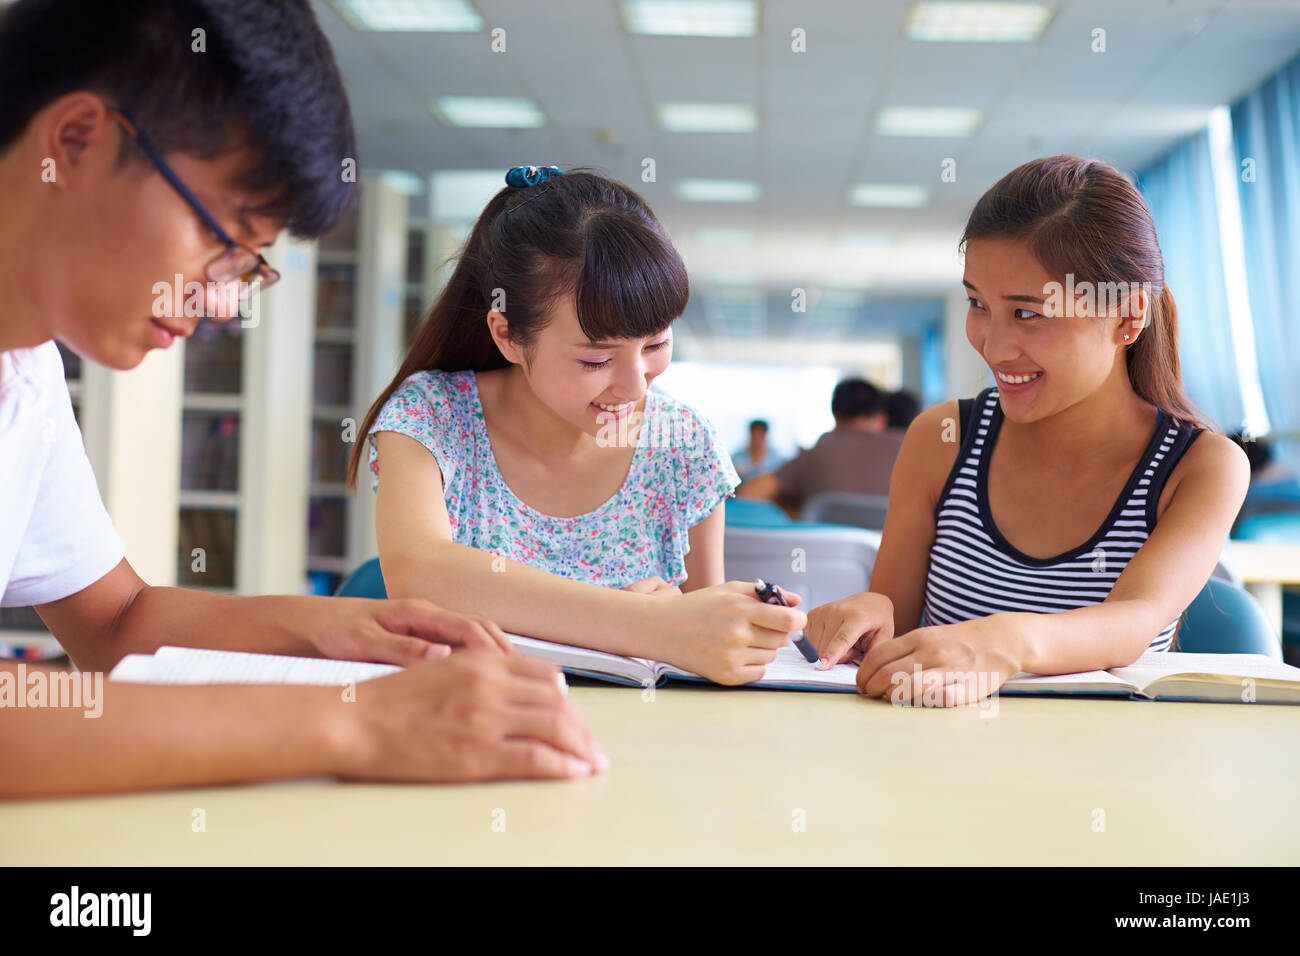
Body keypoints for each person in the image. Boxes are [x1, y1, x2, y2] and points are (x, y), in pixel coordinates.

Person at [0, 0, 602, 796]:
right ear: (77, 140)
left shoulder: (26, 368)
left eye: (247, 265)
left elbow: (116, 623)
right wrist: (353, 723)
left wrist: (346, 629)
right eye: (225, 239)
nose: (222, 303)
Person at [804, 155, 1250, 706]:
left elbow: (1133, 622)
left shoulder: (1201, 466)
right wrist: (871, 614)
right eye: (977, 304)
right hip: (939, 761)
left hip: (1115, 771)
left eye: (1028, 313)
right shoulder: (943, 438)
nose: (992, 346)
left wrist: (1003, 641)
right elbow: (890, 617)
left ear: (1128, 317)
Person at [347, 167, 805, 687]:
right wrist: (647, 623)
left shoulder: (682, 440)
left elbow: (703, 650)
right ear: (508, 336)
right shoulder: (430, 415)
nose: (635, 387)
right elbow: (421, 574)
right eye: (595, 360)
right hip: (466, 728)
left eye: (655, 344)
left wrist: (729, 630)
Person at [736, 377, 903, 509]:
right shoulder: (905, 450)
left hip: (825, 551)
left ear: (835, 414)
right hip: (891, 550)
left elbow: (748, 495)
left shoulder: (815, 454)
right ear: (880, 418)